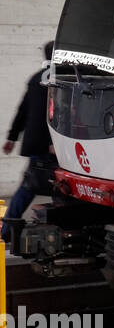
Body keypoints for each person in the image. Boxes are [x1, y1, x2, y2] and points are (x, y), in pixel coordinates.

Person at [2, 41, 56, 245]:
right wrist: (52, 143)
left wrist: (11, 137)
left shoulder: (36, 78)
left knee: (30, 185)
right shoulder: (63, 78)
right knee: (60, 188)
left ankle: (7, 229)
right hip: (53, 146)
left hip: (37, 144)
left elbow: (22, 110)